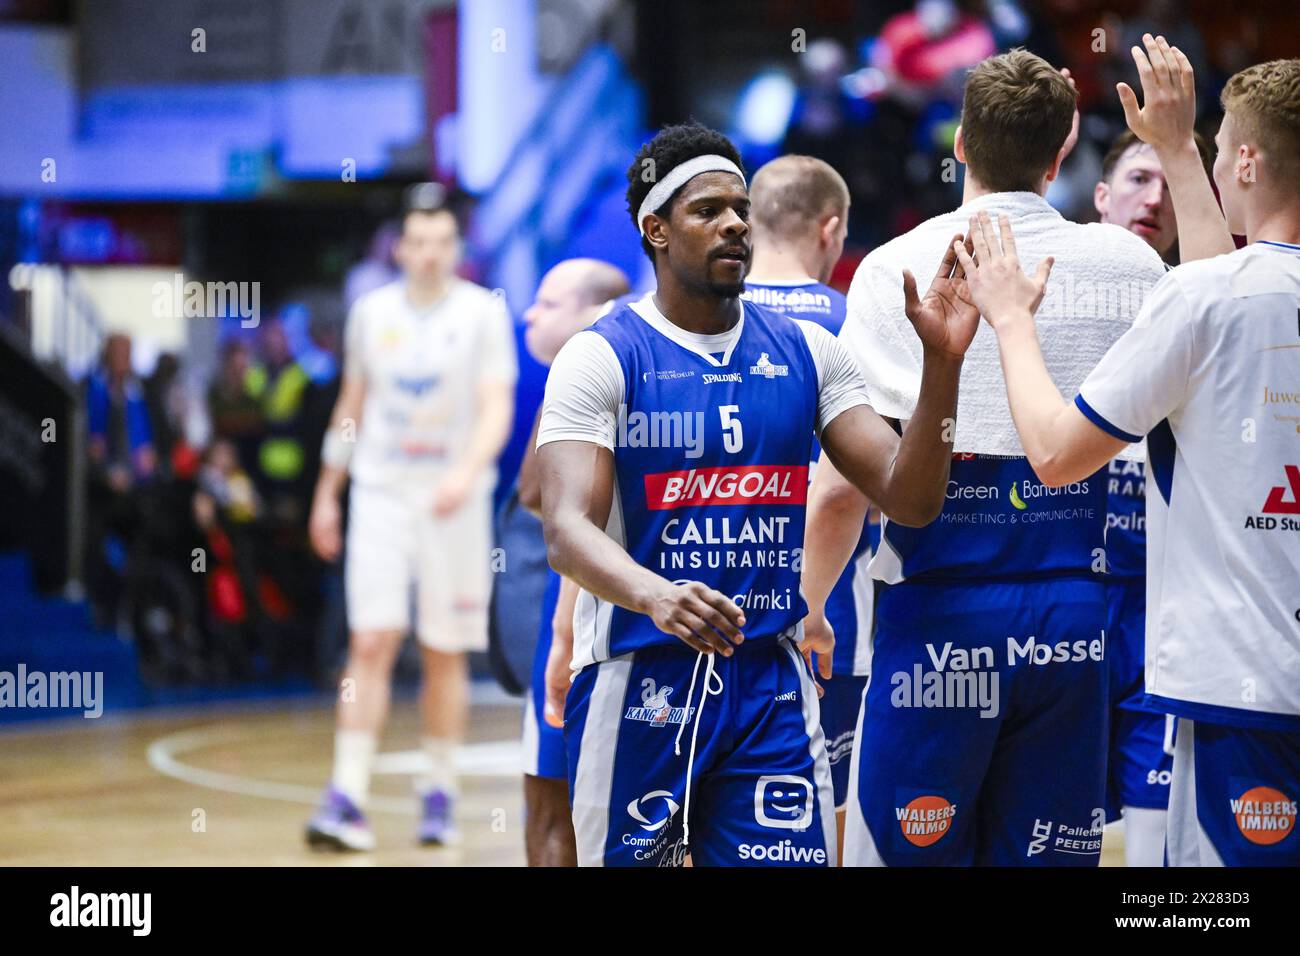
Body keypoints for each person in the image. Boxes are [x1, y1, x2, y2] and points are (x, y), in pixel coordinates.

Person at [538, 122, 980, 867]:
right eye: (708, 210)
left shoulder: (809, 350)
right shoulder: (602, 354)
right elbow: (565, 529)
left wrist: (943, 368)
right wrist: (656, 595)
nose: (736, 223)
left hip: (769, 682)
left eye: (741, 208)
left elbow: (910, 501)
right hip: (640, 676)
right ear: (655, 229)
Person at [959, 55, 1300, 867]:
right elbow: (1228, 292)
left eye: (1221, 153)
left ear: (1245, 161)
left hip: (1244, 692)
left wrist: (1009, 319)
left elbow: (1053, 453)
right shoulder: (1226, 294)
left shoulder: (1206, 298)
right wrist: (1180, 152)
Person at [832, 48, 1167, 866]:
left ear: (959, 148)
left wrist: (811, 600)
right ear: (1062, 156)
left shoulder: (891, 268)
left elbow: (851, 477)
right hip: (1081, 624)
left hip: (933, 622)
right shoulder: (1134, 268)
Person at [304, 202, 518, 850]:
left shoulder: (483, 312)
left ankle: (440, 792)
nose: (429, 252)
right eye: (417, 241)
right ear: (398, 249)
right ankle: (345, 795)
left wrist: (467, 469)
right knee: (370, 640)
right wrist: (326, 493)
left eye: (442, 241)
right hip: (381, 494)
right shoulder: (372, 314)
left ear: (456, 248)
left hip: (454, 501)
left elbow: (495, 408)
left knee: (443, 649)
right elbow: (350, 407)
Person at [1092, 35, 1231, 867]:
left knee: (1154, 857)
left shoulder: (1216, 296)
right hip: (1067, 601)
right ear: (1100, 197)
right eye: (1134, 180)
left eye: (1167, 182)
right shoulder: (1045, 290)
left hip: (1164, 608)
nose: (1151, 198)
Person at [739, 154, 876, 859]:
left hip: (704, 616)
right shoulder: (854, 322)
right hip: (827, 626)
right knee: (826, 821)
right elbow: (847, 485)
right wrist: (810, 605)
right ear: (831, 230)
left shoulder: (698, 317)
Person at [514, 258, 631, 867]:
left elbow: (536, 494)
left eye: (548, 302)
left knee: (550, 798)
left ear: (593, 313)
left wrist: (572, 362)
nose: (530, 314)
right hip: (666, 615)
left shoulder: (596, 360)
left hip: (587, 615)